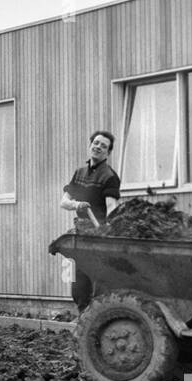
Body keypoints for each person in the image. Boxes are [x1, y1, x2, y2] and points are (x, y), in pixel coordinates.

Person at [60, 129, 122, 312]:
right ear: (90, 145)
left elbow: (112, 208)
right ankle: (82, 317)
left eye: (104, 146)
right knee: (78, 285)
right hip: (80, 235)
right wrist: (77, 205)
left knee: (100, 285)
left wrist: (107, 231)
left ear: (108, 153)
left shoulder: (109, 176)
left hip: (98, 237)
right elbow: (64, 202)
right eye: (96, 143)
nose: (98, 147)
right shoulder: (79, 173)